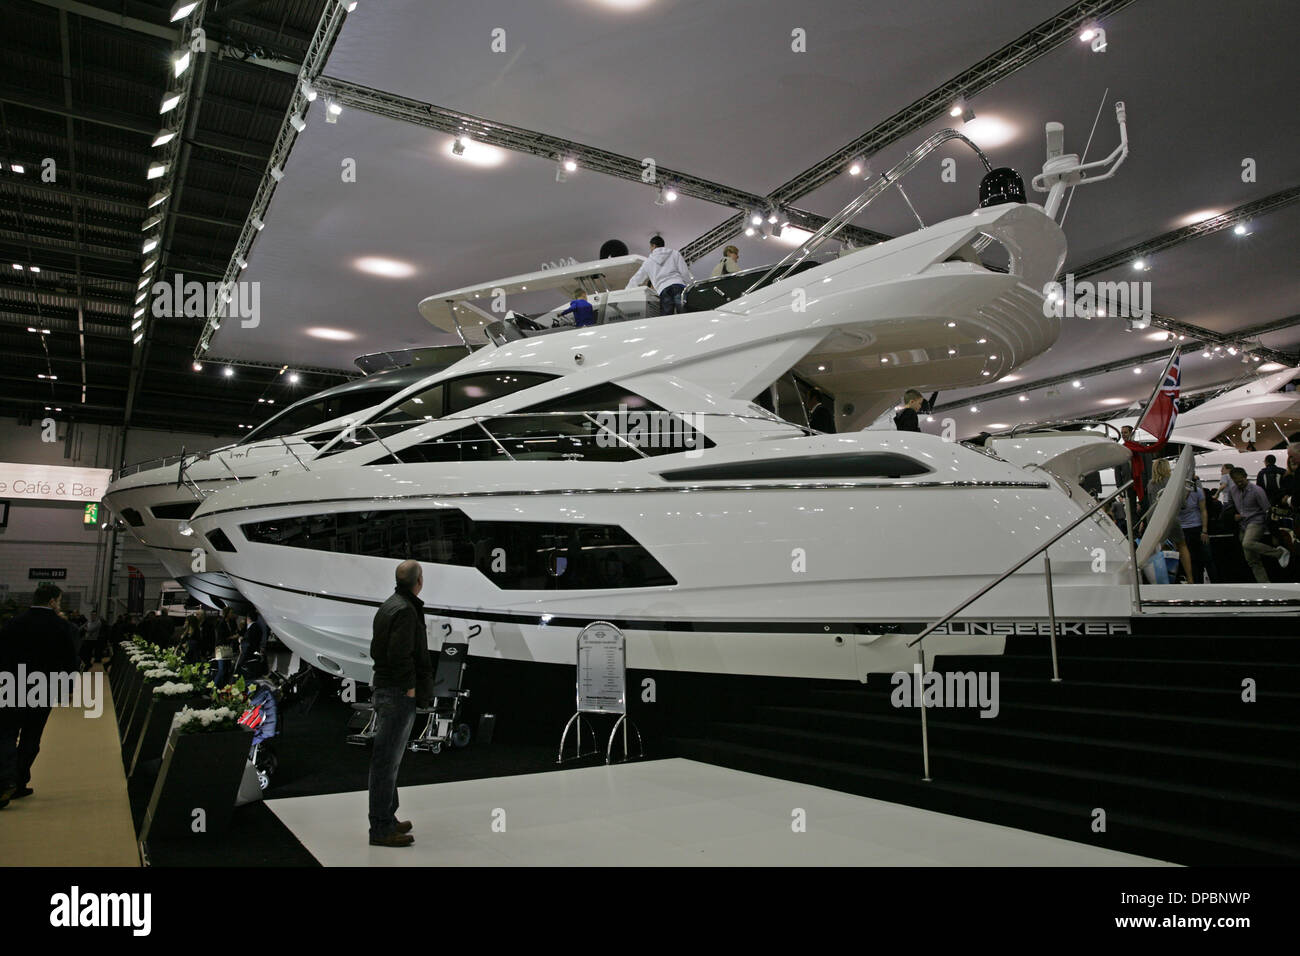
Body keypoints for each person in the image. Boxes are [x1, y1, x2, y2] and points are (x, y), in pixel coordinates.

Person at [367, 560, 433, 848]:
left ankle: (388, 818)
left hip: (386, 689)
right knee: (386, 763)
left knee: (388, 762)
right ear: (418, 581)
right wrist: (409, 688)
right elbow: (400, 654)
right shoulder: (406, 610)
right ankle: (381, 828)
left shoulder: (390, 605)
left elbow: (377, 649)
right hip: (396, 693)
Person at [1, 582, 81, 807]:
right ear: (53, 601)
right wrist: (67, 689)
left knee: (6, 733)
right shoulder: (64, 628)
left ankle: (5, 779)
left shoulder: (13, 623)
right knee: (31, 735)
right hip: (44, 688)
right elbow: (70, 661)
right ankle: (18, 781)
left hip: (12, 686)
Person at [1226, 467, 1291, 582]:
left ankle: (1279, 553)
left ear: (1246, 477)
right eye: (1236, 482)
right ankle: (1265, 585)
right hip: (1243, 524)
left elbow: (1267, 510)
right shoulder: (1232, 490)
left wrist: (1272, 532)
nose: (1239, 483)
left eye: (1241, 480)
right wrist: (1233, 516)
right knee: (1252, 560)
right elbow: (1230, 507)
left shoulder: (1257, 490)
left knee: (1247, 543)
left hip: (1257, 521)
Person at [1141, 459, 1194, 582]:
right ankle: (1190, 578)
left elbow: (1150, 503)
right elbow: (1182, 505)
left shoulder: (1150, 484)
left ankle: (1165, 578)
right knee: (1181, 545)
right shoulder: (1173, 482)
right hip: (1170, 516)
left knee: (1160, 548)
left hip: (1154, 518)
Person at [625, 235, 693, 316]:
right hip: (678, 285)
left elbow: (637, 278)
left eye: (650, 247)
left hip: (663, 289)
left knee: (667, 317)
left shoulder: (648, 262)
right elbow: (684, 272)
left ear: (653, 245)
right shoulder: (675, 253)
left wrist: (626, 292)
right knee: (685, 313)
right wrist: (689, 286)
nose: (650, 249)